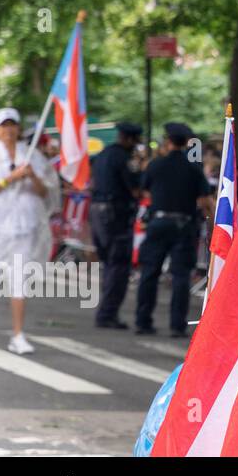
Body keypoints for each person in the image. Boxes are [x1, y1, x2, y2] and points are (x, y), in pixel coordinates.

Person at [135, 123, 212, 337]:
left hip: (158, 223)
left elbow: (144, 191)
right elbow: (205, 201)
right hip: (184, 225)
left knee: (150, 272)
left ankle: (143, 321)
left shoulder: (155, 165)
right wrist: (212, 222)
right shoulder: (193, 168)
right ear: (188, 143)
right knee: (180, 276)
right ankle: (177, 325)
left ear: (167, 141)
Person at [0, 108, 57, 354]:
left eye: (13, 125)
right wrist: (11, 177)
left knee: (19, 280)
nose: (9, 130)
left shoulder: (31, 156)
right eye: (4, 125)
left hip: (24, 227)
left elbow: (45, 193)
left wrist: (32, 176)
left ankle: (18, 334)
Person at [89, 121, 143, 329]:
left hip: (97, 211)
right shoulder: (125, 158)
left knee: (109, 264)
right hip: (116, 215)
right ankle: (107, 313)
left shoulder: (103, 154)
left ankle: (106, 310)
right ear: (130, 139)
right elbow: (135, 189)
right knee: (118, 266)